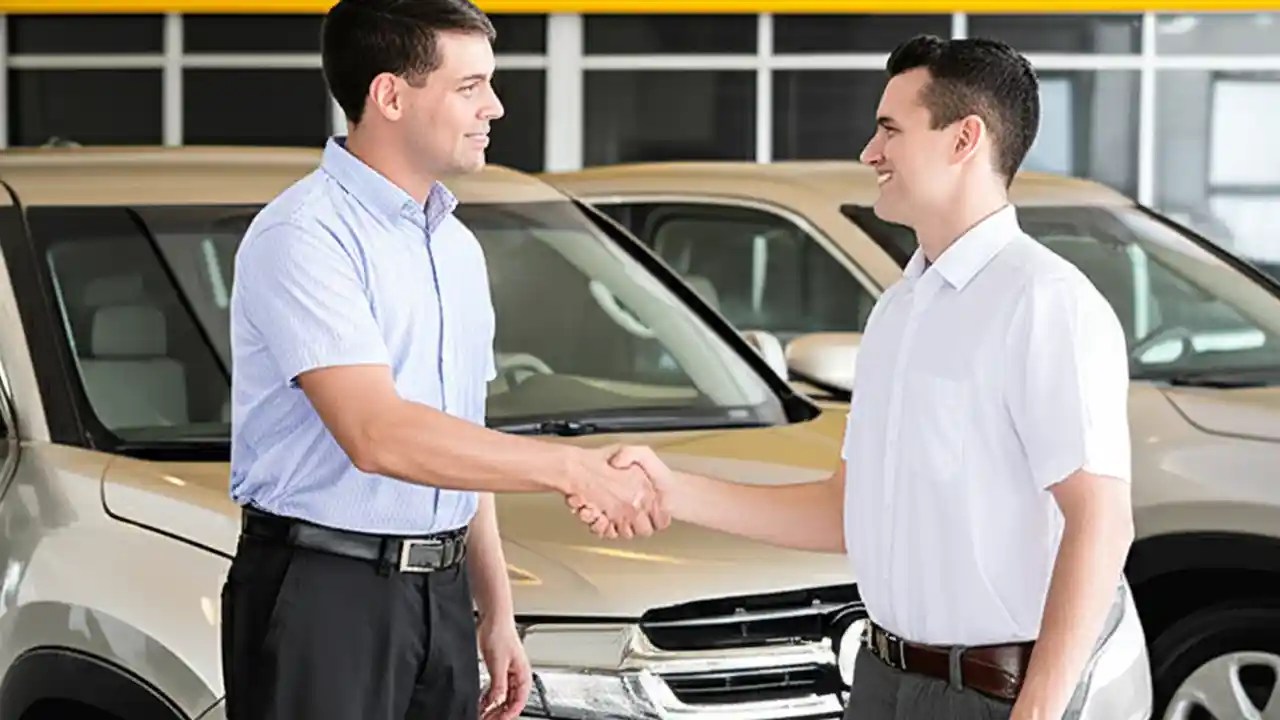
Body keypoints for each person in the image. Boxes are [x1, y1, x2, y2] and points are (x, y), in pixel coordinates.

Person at [575, 34, 1136, 720]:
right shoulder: (900, 309)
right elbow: (847, 511)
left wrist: (1038, 712)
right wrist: (670, 489)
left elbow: (1101, 521)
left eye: (890, 130)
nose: (870, 153)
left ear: (964, 139)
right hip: (882, 679)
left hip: (992, 694)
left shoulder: (1045, 302)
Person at [221, 2, 666, 719]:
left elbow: (459, 436)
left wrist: (496, 608)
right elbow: (378, 435)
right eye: (469, 86)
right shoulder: (304, 236)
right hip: (325, 595)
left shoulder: (454, 246)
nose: (495, 106)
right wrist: (572, 470)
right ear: (390, 95)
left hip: (442, 592)